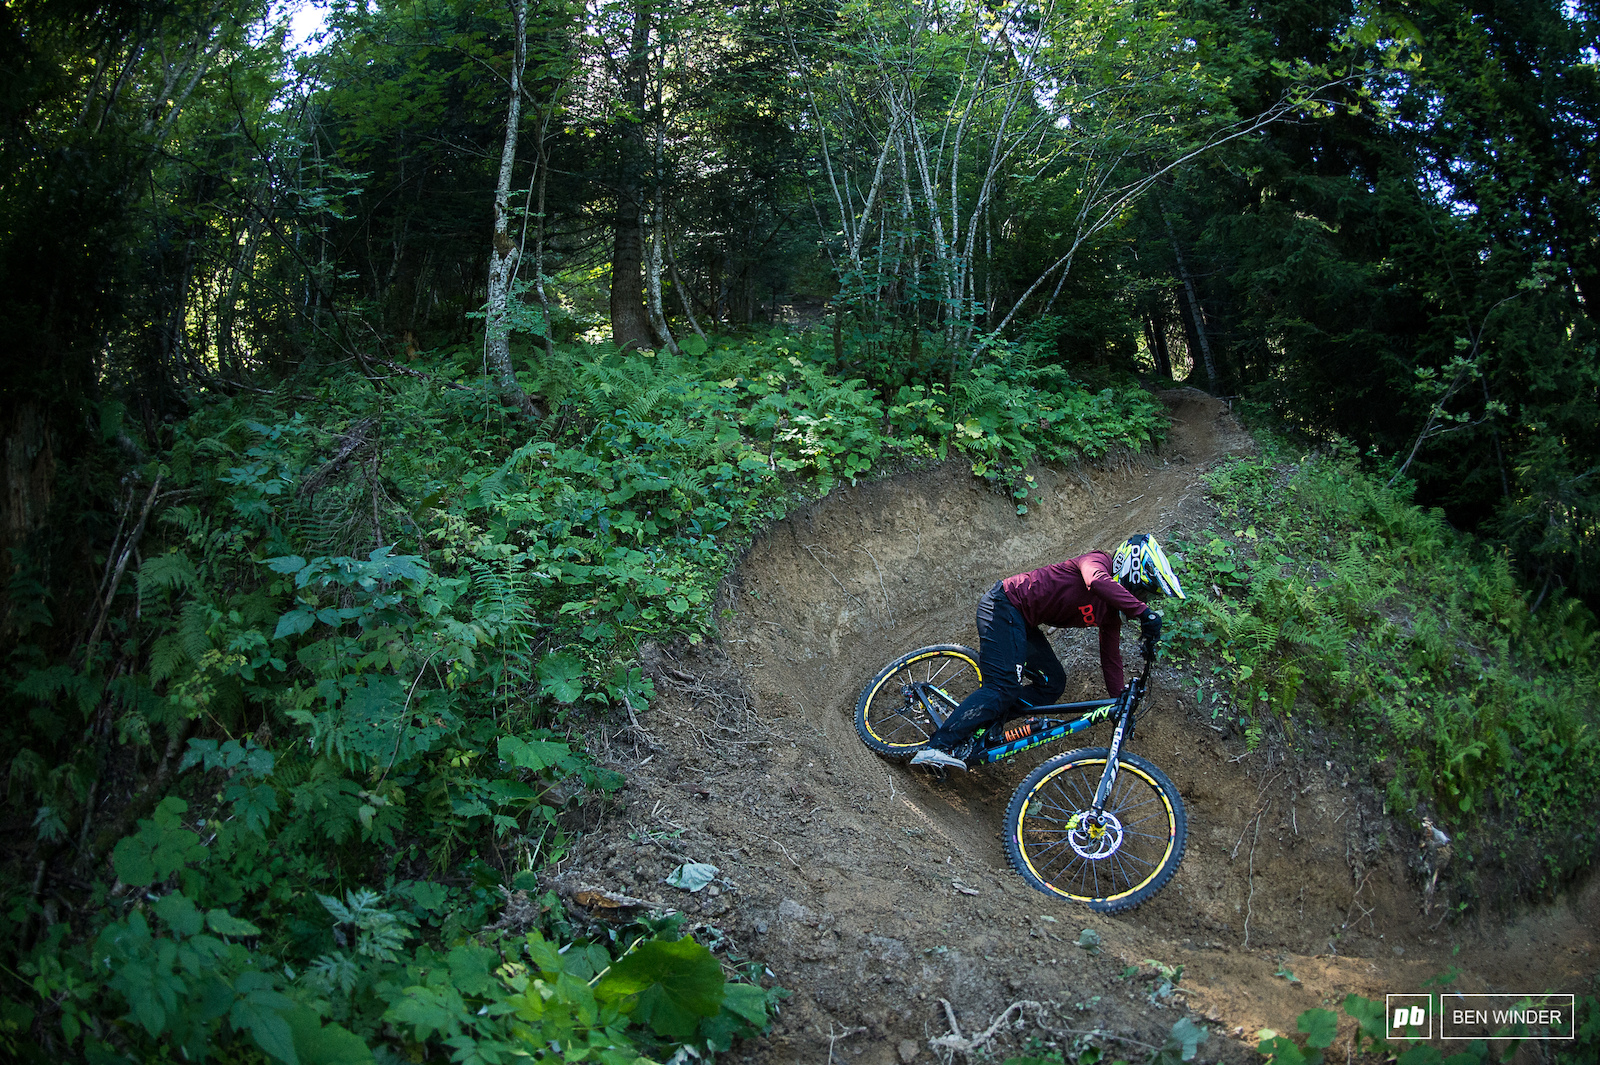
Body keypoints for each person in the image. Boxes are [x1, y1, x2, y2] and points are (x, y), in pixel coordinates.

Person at [909, 534, 1186, 771]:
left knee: (1052, 683)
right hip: (1004, 605)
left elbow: (1111, 659)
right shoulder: (1097, 560)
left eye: (1144, 597)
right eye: (1141, 591)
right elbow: (1097, 581)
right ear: (1130, 568)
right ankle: (938, 747)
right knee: (1003, 686)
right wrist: (1145, 614)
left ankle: (984, 723)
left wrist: (1118, 703)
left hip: (1023, 623)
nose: (1140, 599)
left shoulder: (1110, 614)